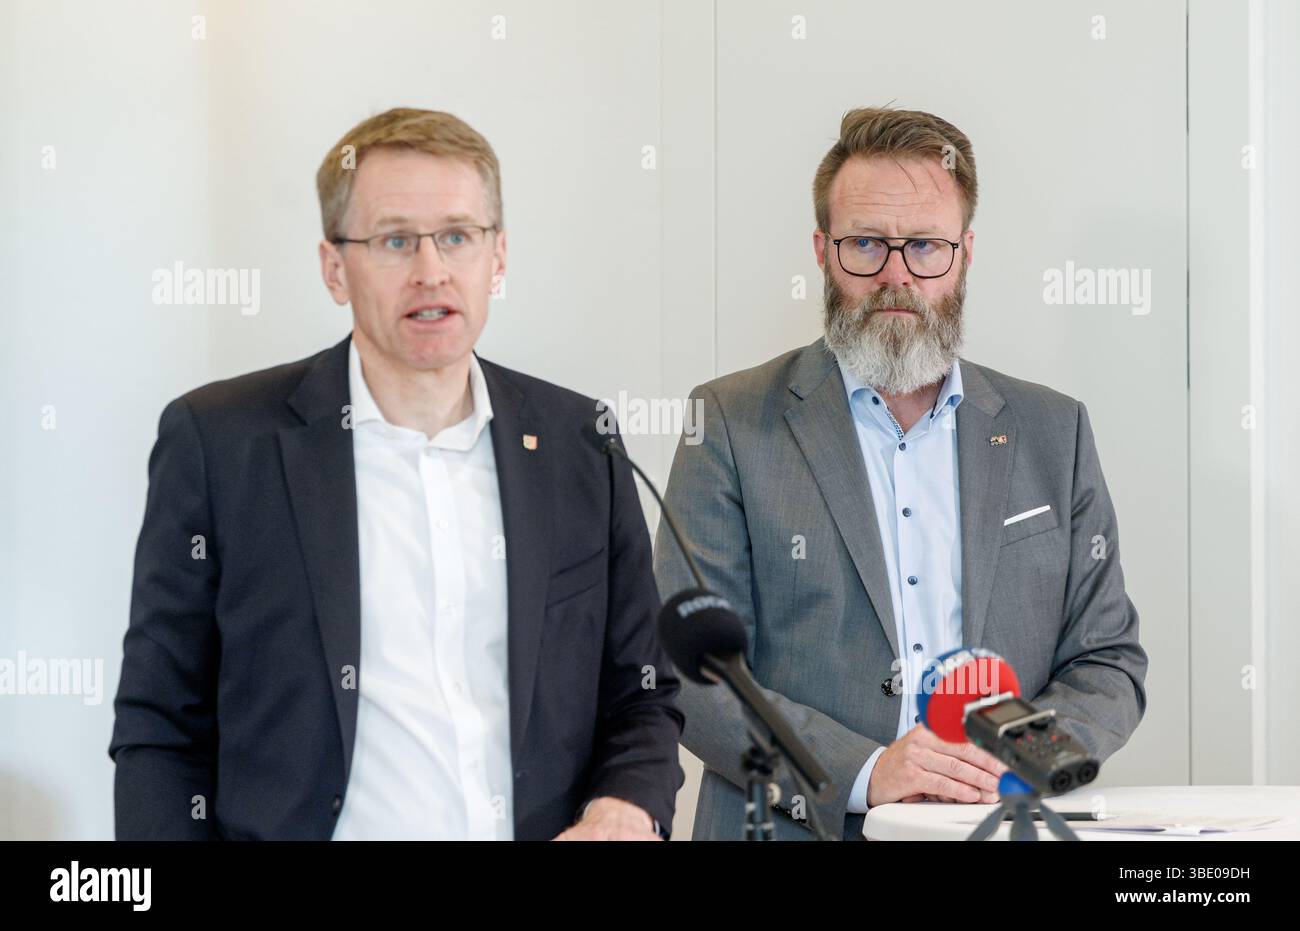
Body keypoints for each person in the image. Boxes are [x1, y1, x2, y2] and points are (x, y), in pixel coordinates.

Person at [110, 108, 683, 840]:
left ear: (497, 256)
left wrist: (624, 807)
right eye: (394, 240)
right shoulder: (221, 444)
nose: (431, 269)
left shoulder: (581, 442)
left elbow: (643, 693)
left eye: (456, 235)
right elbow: (160, 723)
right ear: (333, 268)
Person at [655, 106, 1148, 841]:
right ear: (823, 250)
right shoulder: (727, 421)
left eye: (924, 246)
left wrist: (1011, 759)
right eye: (865, 244)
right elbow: (688, 670)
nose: (895, 275)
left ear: (965, 252)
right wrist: (867, 771)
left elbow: (1108, 659)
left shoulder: (1056, 429)